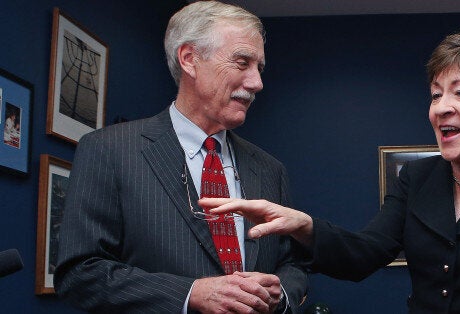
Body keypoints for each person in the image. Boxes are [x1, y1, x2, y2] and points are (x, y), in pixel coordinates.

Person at [204, 28, 460, 313]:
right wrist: (304, 225)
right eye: (437, 94)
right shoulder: (417, 179)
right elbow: (364, 254)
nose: (442, 107)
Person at [54, 1, 307, 313]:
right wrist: (190, 294)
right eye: (242, 63)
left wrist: (280, 294)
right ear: (190, 60)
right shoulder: (109, 150)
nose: (257, 83)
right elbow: (79, 275)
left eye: (259, 68)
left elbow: (293, 264)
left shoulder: (270, 169)